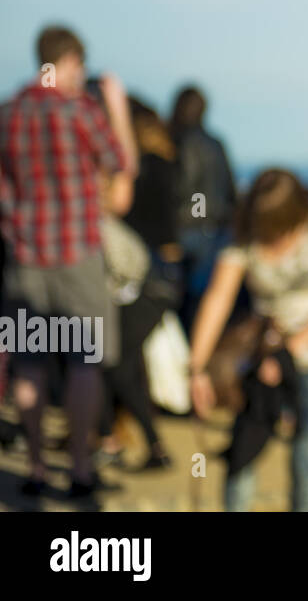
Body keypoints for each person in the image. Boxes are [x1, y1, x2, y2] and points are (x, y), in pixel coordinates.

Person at [0, 25, 136, 499]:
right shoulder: (79, 110)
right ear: (70, 61)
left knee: (30, 366)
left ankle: (36, 468)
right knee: (84, 362)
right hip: (77, 253)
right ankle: (80, 468)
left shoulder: (9, 113)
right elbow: (121, 164)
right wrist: (117, 107)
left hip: (24, 258)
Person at [188, 168, 308, 511]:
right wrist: (197, 368)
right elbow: (218, 299)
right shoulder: (243, 237)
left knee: (304, 454)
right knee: (243, 449)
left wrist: (285, 355)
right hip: (263, 350)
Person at [98, 96, 183, 470]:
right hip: (160, 275)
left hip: (140, 280)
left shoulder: (129, 173)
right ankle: (121, 438)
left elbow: (120, 204)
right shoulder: (168, 165)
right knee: (121, 362)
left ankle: (123, 440)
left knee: (112, 360)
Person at [170, 85, 238, 331]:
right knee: (208, 292)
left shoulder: (182, 142)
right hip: (216, 228)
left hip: (188, 228)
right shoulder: (216, 143)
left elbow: (183, 186)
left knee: (184, 297)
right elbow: (231, 188)